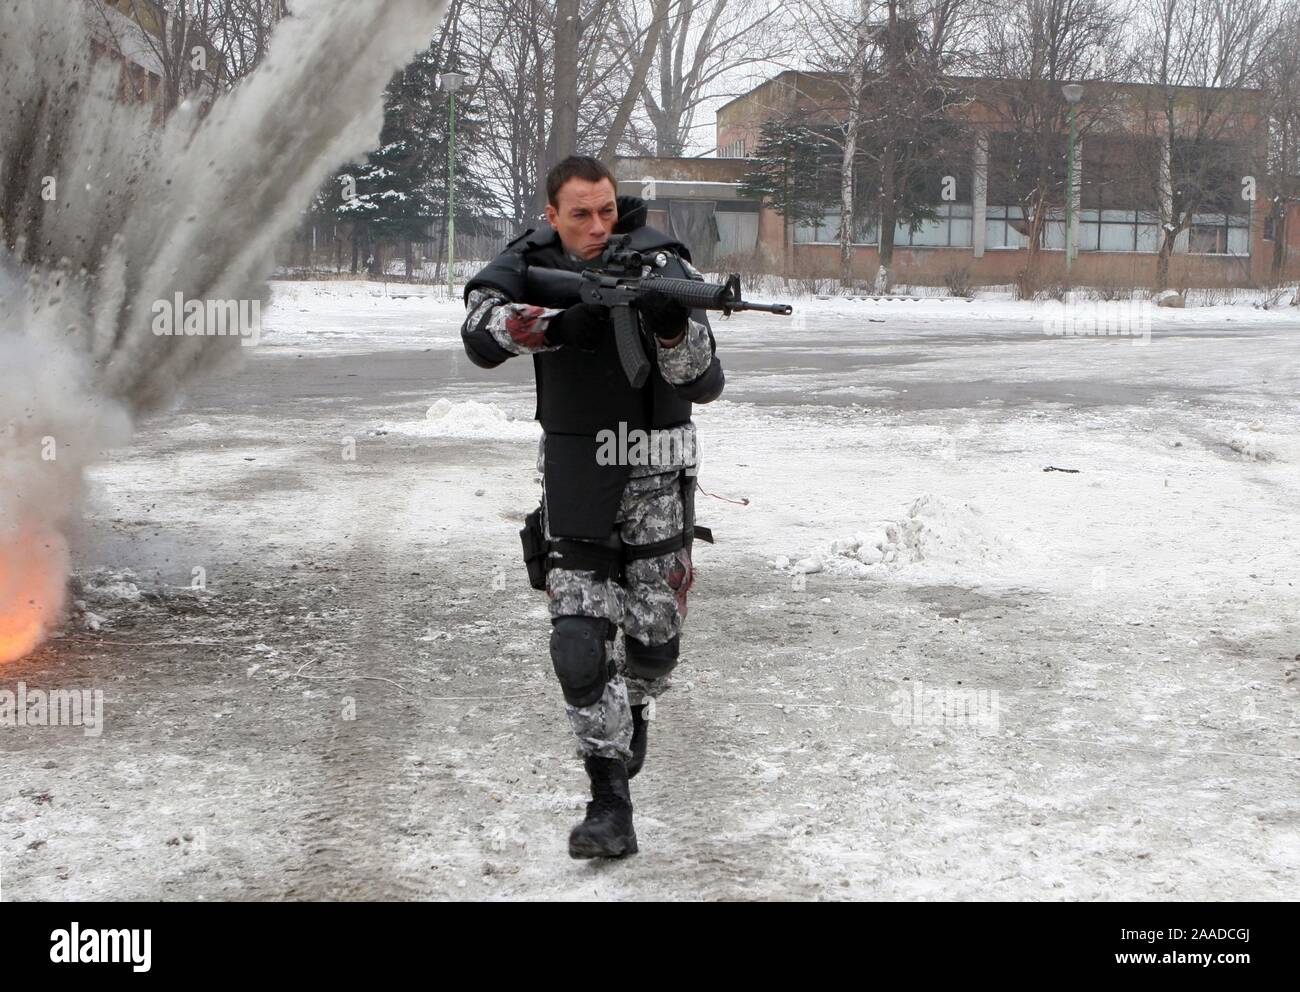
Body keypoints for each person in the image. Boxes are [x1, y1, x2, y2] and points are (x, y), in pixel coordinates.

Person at [460, 155, 724, 858]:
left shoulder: (660, 260)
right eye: (580, 214)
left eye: (607, 210)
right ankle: (609, 804)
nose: (598, 226)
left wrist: (672, 327)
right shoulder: (526, 262)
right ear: (551, 214)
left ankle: (634, 703)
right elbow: (480, 333)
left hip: (656, 480)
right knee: (578, 648)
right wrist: (557, 325)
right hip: (577, 474)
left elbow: (702, 381)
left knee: (653, 647)